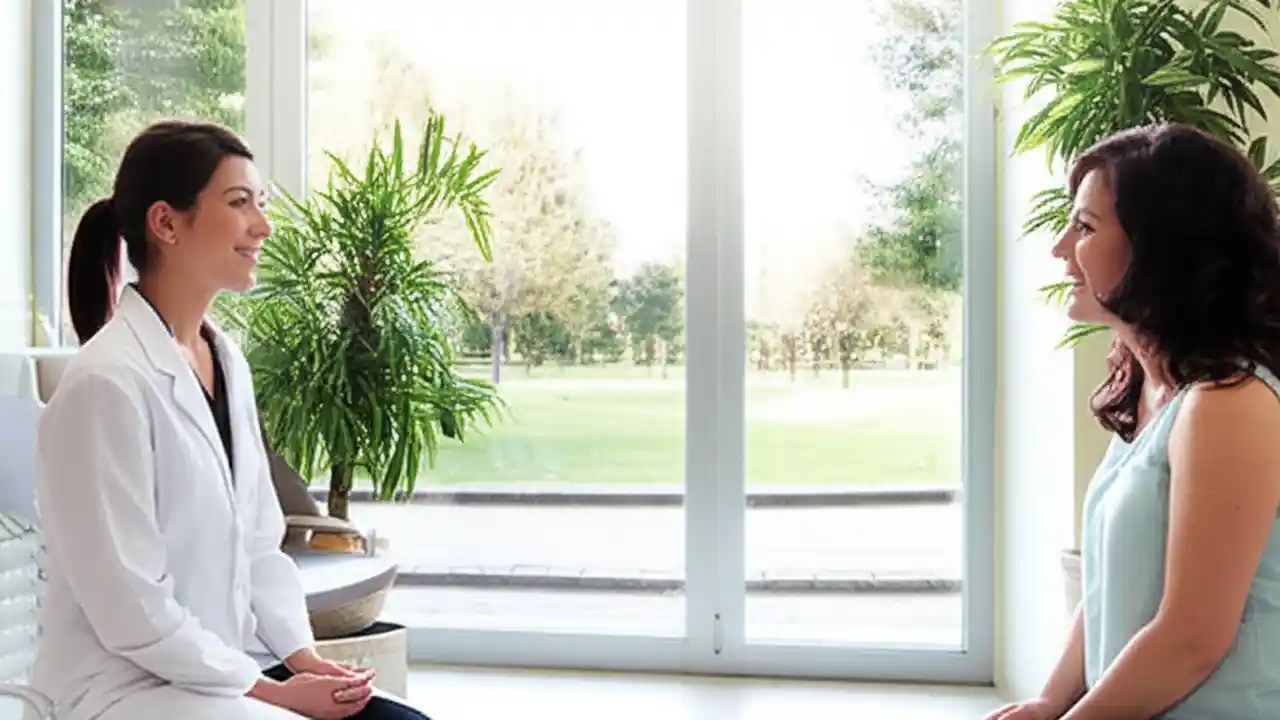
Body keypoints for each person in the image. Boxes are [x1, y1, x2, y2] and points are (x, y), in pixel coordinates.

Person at [31, 120, 431, 720]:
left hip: (216, 671)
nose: (263, 226)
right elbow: (131, 610)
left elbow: (260, 546)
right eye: (239, 203)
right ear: (165, 223)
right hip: (121, 690)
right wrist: (271, 692)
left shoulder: (225, 361)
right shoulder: (104, 386)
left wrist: (304, 660)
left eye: (260, 204)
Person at [988, 123, 1280, 720]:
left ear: (1160, 249)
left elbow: (1192, 638)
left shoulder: (1230, 403)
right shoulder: (1152, 391)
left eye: (1085, 227)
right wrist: (1051, 701)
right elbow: (1109, 583)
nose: (1060, 248)